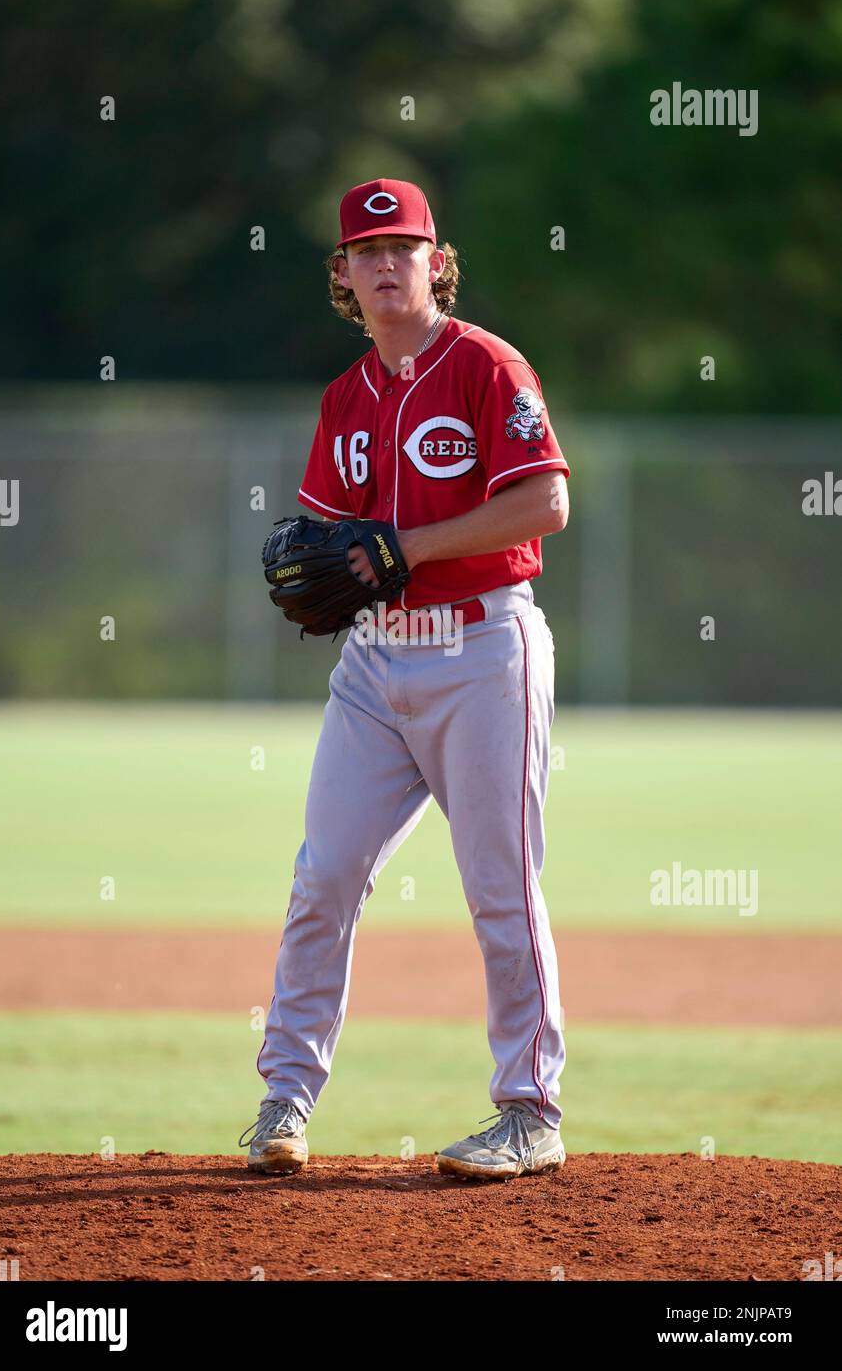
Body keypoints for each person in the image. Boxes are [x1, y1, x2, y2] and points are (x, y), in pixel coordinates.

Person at [238, 177, 571, 1180]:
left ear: (436, 260)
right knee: (322, 878)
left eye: (404, 247)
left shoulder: (483, 365)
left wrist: (404, 545)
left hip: (483, 654)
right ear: (341, 274)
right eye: (366, 252)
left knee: (499, 891)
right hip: (374, 666)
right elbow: (336, 544)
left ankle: (528, 1111)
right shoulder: (346, 396)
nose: (386, 265)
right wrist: (335, 572)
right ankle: (282, 1103)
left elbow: (544, 503)